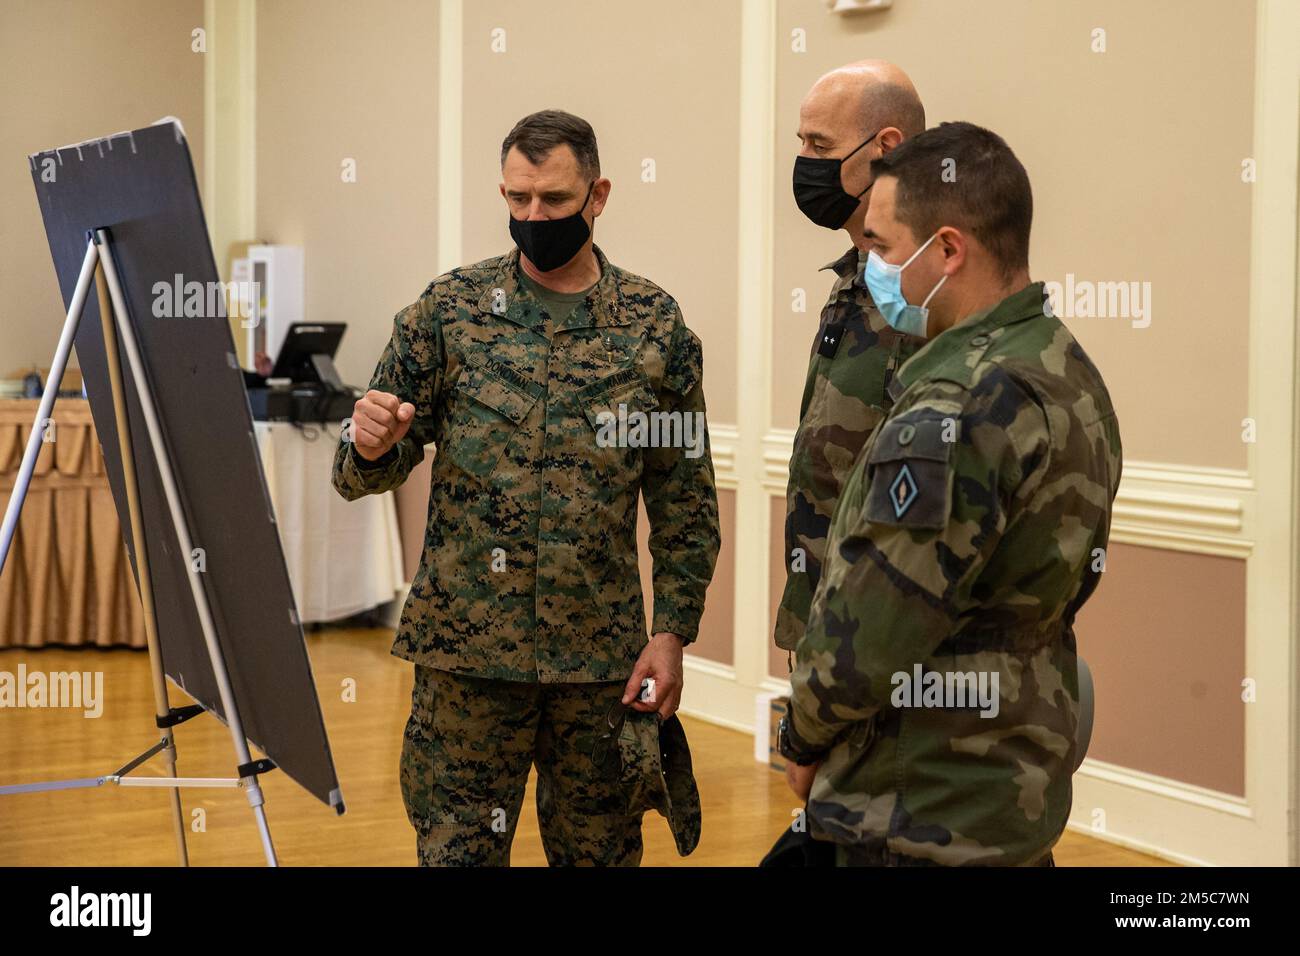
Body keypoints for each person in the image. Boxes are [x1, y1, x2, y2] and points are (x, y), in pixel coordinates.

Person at [332, 109, 721, 866]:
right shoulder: (449, 313)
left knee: (601, 856)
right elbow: (364, 466)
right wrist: (368, 441)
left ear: (599, 194)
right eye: (517, 200)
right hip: (466, 661)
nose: (533, 217)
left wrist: (672, 633)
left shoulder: (653, 327)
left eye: (552, 200)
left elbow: (685, 501)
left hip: (598, 667)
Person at [778, 121, 1123, 866]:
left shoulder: (957, 401)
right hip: (1011, 791)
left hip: (915, 800)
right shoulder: (1068, 368)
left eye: (881, 246)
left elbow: (872, 625)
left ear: (946, 250)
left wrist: (800, 734)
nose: (869, 266)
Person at [777, 61, 927, 664]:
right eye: (802, 142)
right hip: (826, 622)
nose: (805, 162)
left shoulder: (925, 294)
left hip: (883, 647)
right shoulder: (856, 278)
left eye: (820, 145)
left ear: (884, 148)